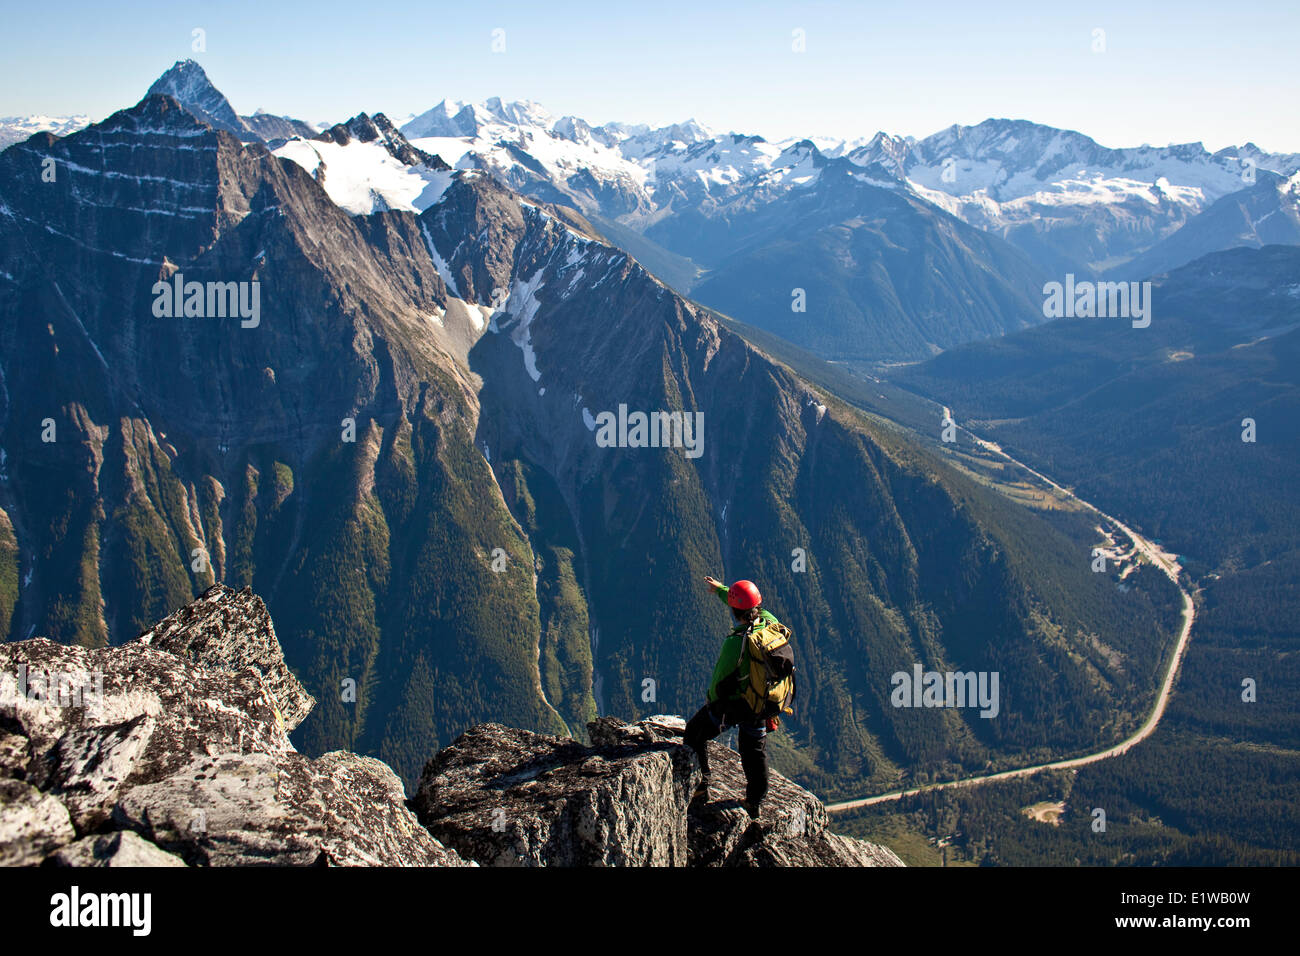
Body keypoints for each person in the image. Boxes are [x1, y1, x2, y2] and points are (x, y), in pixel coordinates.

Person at [683, 574, 782, 821]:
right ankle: (755, 802)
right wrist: (722, 590)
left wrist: (711, 703)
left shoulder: (735, 643)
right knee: (754, 751)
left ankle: (701, 786)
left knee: (694, 732)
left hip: (737, 705)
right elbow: (747, 604)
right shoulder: (770, 623)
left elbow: (718, 683)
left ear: (735, 612)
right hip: (762, 703)